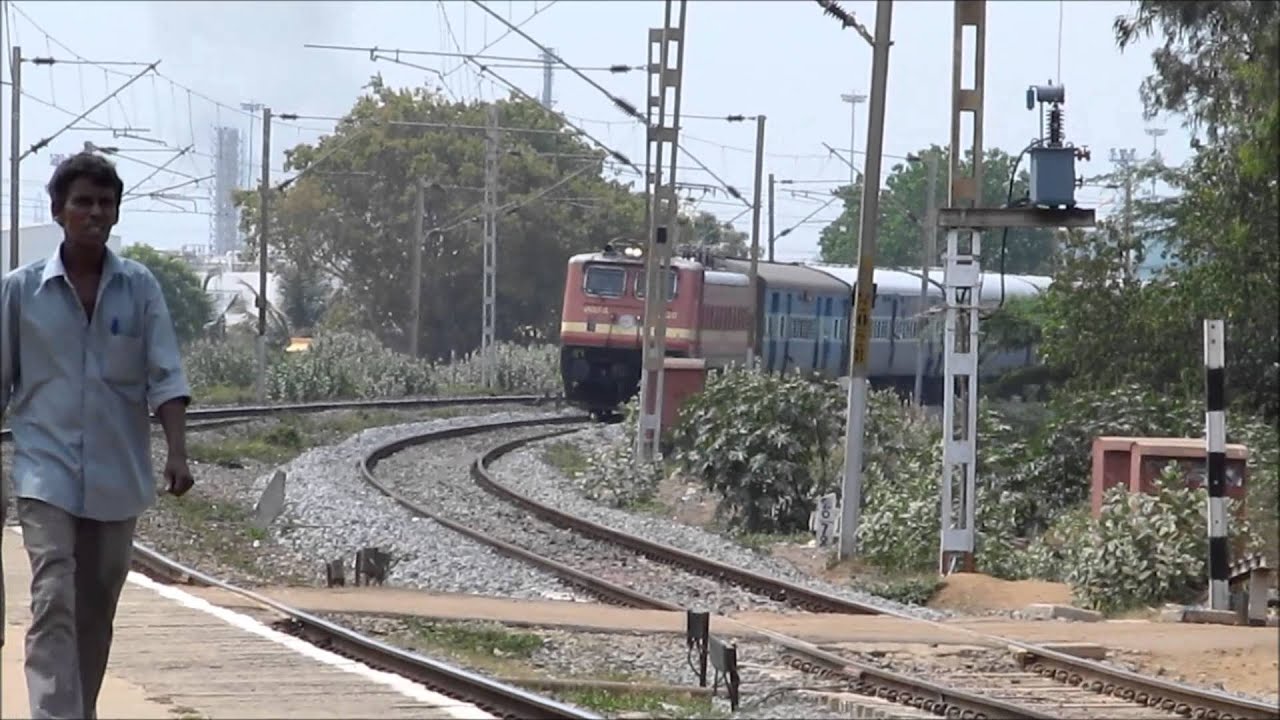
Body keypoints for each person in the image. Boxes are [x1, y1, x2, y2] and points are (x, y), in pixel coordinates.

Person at [0, 151, 195, 720]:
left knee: (96, 604)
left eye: (105, 203)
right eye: (82, 202)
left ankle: (78, 710)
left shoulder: (139, 289)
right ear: (59, 210)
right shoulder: (20, 291)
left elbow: (165, 375)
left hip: (117, 472)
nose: (94, 213)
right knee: (53, 595)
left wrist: (178, 453)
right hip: (45, 471)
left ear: (116, 214)